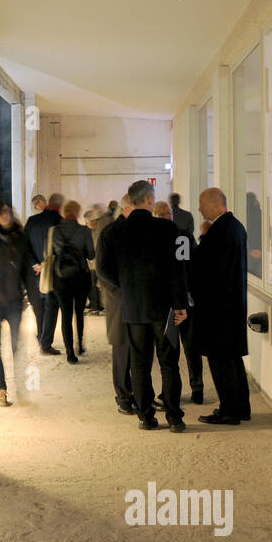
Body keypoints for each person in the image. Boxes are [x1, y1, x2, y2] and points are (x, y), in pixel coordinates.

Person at [99, 181, 188, 431]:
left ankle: (146, 417)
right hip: (164, 309)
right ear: (150, 200)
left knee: (139, 364)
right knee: (169, 363)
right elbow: (178, 270)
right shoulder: (168, 229)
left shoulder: (114, 232)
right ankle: (174, 417)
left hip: (133, 309)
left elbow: (104, 270)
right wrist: (181, 304)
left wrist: (125, 291)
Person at [191, 187, 251, 425]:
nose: (199, 208)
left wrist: (203, 236)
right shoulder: (235, 227)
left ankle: (229, 411)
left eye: (201, 203)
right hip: (232, 305)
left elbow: (203, 266)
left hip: (218, 309)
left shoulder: (219, 231)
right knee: (233, 360)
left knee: (221, 361)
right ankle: (240, 407)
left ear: (215, 204)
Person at [0, 201, 35, 406]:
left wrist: (34, 298)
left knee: (16, 345)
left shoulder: (20, 238)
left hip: (13, 299)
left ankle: (19, 384)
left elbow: (27, 268)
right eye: (2, 212)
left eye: (9, 212)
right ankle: (0, 389)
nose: (6, 216)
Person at [156, 199, 204, 405]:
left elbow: (191, 267)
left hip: (181, 300)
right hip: (177, 301)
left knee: (185, 348)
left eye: (169, 214)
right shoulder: (181, 237)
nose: (168, 218)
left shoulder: (179, 237)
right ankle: (177, 389)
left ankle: (192, 389)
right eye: (163, 215)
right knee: (175, 349)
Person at [98, 195, 136, 413]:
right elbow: (102, 271)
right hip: (120, 301)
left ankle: (133, 394)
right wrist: (122, 292)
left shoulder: (127, 230)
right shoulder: (111, 232)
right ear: (128, 208)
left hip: (127, 299)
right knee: (122, 351)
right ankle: (123, 396)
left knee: (134, 350)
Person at [52, 200, 96, 363]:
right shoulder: (84, 231)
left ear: (64, 213)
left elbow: (49, 253)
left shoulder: (55, 231)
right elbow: (91, 254)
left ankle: (70, 351)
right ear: (77, 213)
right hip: (80, 276)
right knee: (79, 312)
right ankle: (80, 345)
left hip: (61, 277)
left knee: (66, 315)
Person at [25, 192, 65, 354]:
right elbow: (61, 249)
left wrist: (36, 264)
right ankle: (45, 342)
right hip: (53, 271)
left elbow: (24, 246)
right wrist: (46, 264)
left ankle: (40, 334)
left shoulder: (32, 221)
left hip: (34, 271)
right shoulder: (60, 222)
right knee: (51, 305)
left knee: (38, 305)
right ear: (60, 205)